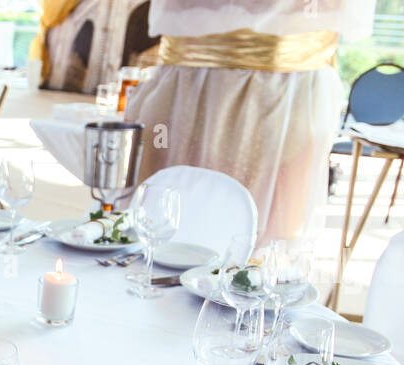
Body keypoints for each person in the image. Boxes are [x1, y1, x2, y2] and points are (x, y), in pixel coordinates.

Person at [124, 0, 373, 243]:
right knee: (165, 205)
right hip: (184, 82)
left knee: (264, 228)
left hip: (278, 87)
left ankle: (248, 270)